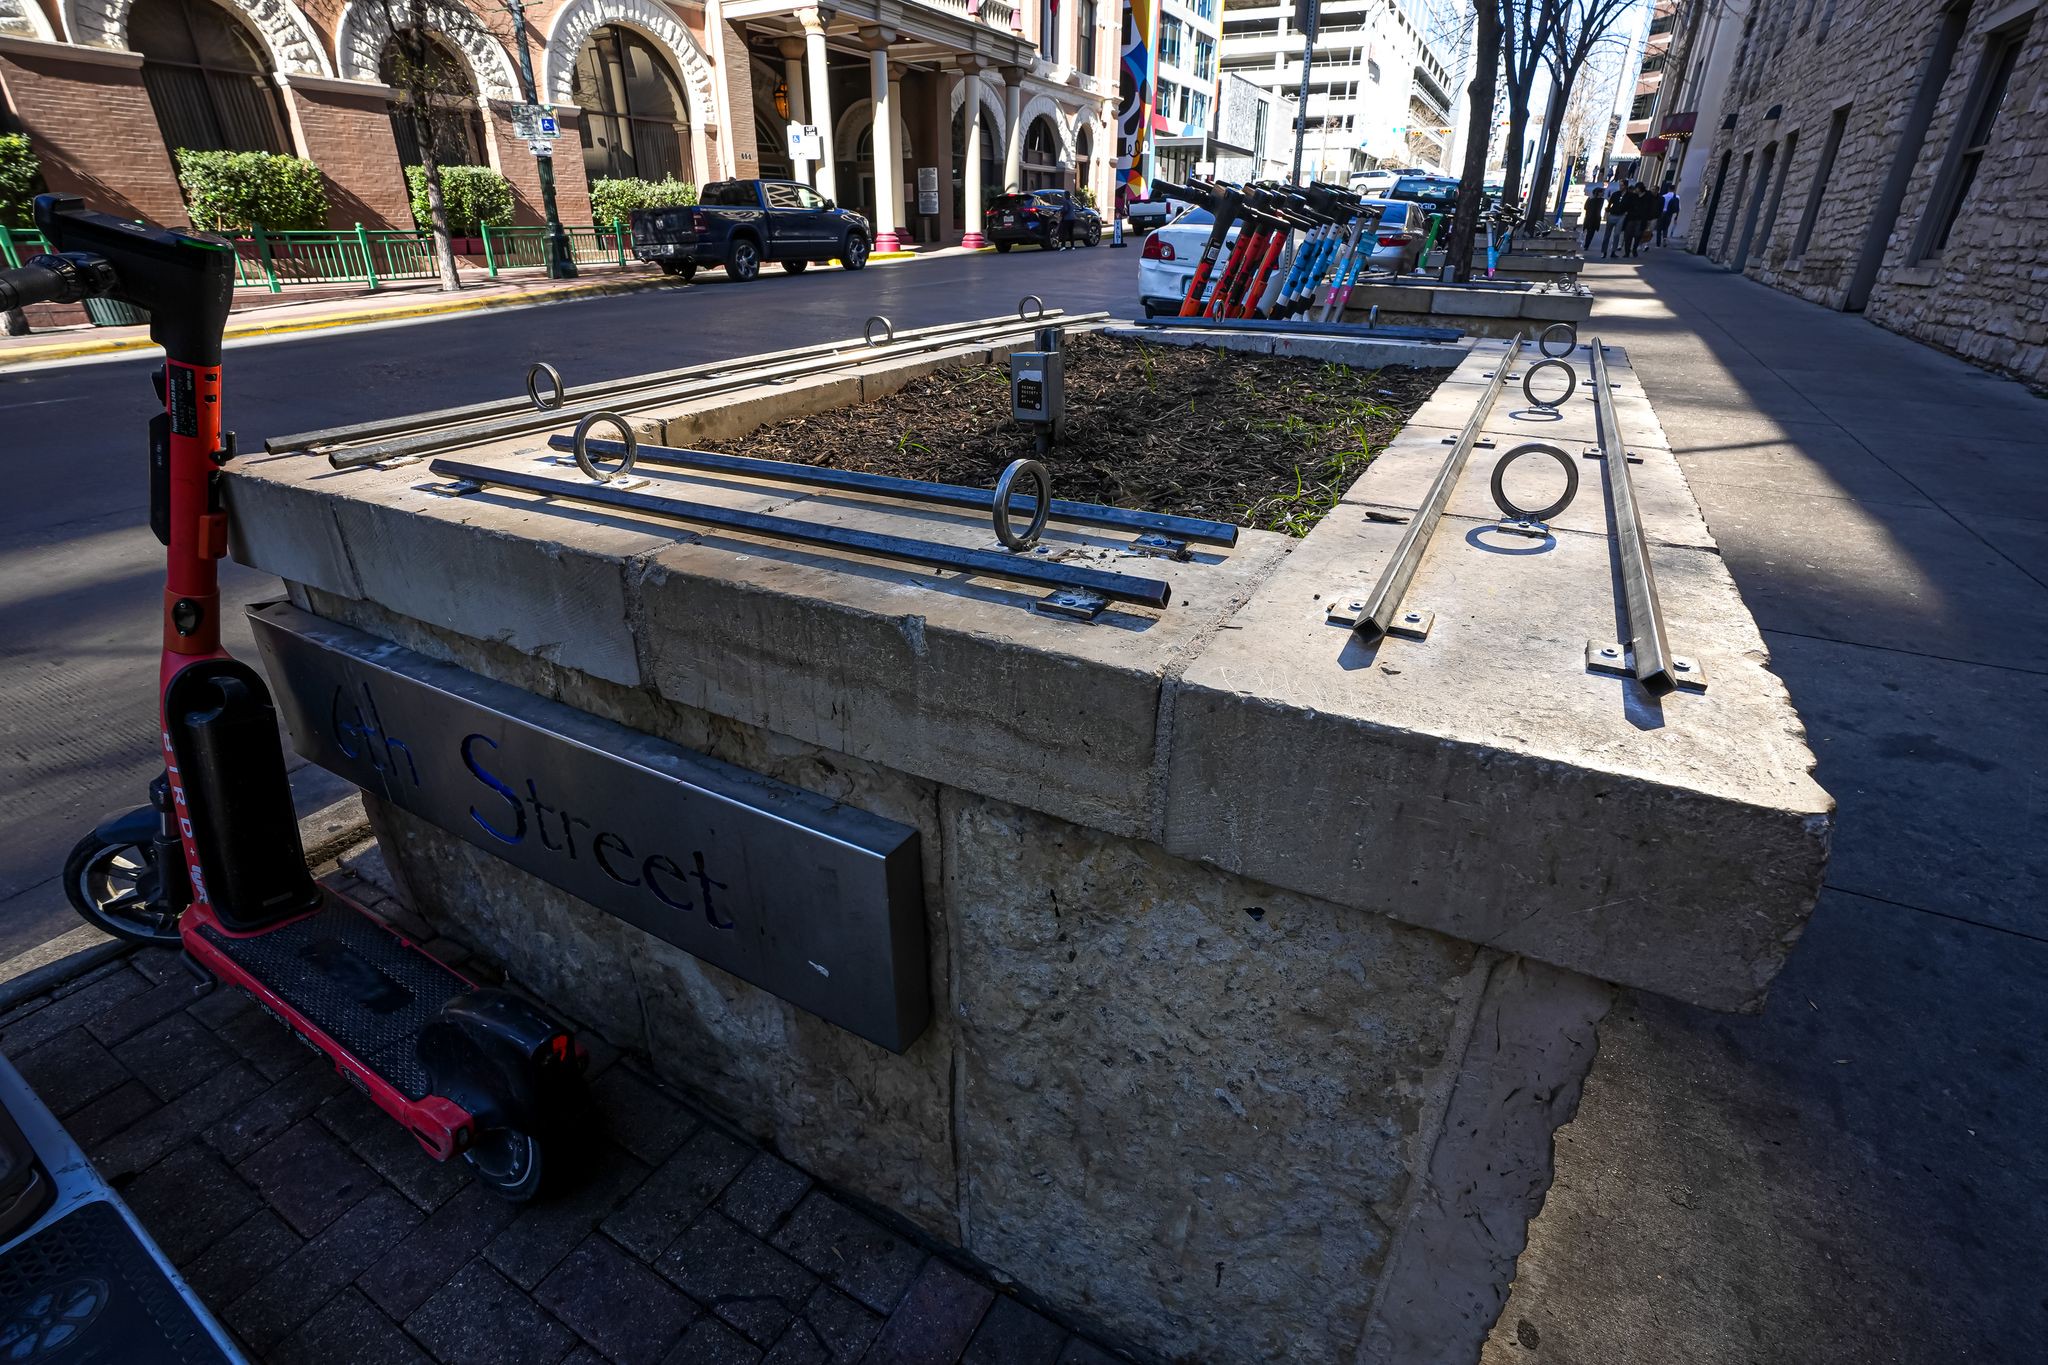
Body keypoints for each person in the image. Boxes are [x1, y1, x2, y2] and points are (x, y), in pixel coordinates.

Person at [1623, 182, 1658, 258]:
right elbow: (1627, 204)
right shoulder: (1633, 196)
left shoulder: (1648, 196)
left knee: (1638, 235)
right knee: (1628, 235)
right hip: (1631, 218)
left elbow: (1650, 207)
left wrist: (1649, 218)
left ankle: (1634, 249)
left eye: (1637, 188)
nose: (1636, 190)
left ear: (1640, 189)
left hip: (1641, 219)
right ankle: (1627, 252)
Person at [1600, 173, 1628, 256]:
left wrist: (1626, 213)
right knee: (1607, 235)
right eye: (1620, 185)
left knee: (1617, 234)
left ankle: (1613, 251)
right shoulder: (1615, 194)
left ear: (1626, 186)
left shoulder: (1629, 196)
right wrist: (1607, 212)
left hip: (1621, 215)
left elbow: (1630, 205)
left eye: (1622, 185)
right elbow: (1610, 204)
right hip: (1612, 214)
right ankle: (1604, 251)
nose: (1620, 187)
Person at [1580, 182, 1606, 253]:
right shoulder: (1599, 200)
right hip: (1592, 218)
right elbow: (1586, 207)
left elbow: (1586, 207)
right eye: (1601, 192)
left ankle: (1586, 245)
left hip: (1593, 218)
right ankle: (1585, 245)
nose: (1603, 193)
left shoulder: (1598, 200)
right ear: (1598, 193)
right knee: (1589, 233)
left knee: (1590, 233)